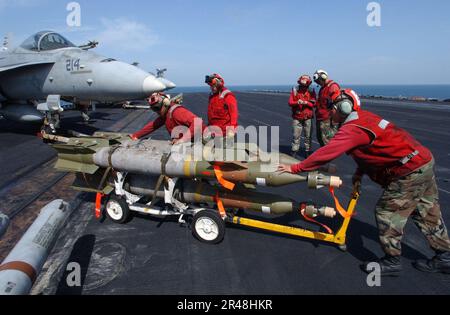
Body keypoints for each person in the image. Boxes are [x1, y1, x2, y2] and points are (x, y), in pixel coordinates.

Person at [278, 89, 450, 276]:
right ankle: (445, 257)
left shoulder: (353, 128)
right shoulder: (364, 118)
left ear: (342, 107)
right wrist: (360, 172)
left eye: (331, 107)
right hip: (422, 162)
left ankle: (392, 261)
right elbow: (372, 151)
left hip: (408, 172)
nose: (329, 111)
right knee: (426, 210)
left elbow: (326, 153)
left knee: (387, 212)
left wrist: (296, 168)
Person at [130, 93, 205, 144]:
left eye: (157, 108)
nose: (156, 111)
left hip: (203, 142)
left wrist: (182, 139)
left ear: (165, 104)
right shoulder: (166, 114)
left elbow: (198, 122)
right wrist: (136, 135)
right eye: (154, 109)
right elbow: (153, 125)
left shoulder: (177, 112)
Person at [288, 75, 317, 157]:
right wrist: (297, 102)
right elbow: (290, 102)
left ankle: (307, 152)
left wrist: (305, 102)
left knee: (308, 136)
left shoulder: (311, 91)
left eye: (306, 85)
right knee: (296, 136)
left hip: (308, 117)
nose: (304, 87)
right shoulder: (295, 90)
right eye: (302, 85)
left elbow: (314, 104)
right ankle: (294, 151)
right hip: (297, 117)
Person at [205, 73, 239, 140]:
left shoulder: (228, 96)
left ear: (218, 84)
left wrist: (232, 130)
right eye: (210, 86)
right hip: (213, 132)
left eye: (213, 86)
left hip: (225, 134)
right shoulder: (212, 96)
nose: (211, 88)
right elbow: (211, 114)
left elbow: (234, 114)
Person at [313, 69, 341, 146]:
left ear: (323, 77)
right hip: (320, 118)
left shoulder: (333, 86)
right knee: (321, 139)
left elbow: (337, 103)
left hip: (327, 119)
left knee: (327, 141)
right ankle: (323, 156)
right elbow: (321, 102)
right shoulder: (323, 88)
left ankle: (327, 157)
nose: (318, 83)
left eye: (318, 81)